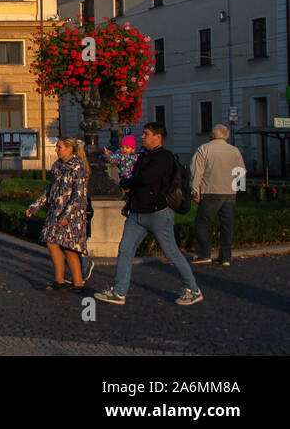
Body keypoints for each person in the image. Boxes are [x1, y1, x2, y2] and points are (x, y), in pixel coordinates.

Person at [94, 122, 203, 306]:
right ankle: (119, 291)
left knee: (171, 252)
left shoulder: (164, 157)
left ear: (157, 137)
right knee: (125, 250)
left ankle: (193, 289)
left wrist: (127, 184)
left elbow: (146, 179)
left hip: (158, 213)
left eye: (146, 134)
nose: (142, 137)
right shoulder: (144, 155)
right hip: (137, 213)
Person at [25, 137, 91, 291]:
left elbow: (79, 195)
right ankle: (60, 281)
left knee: (69, 247)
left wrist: (67, 216)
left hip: (71, 213)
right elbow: (50, 189)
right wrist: (36, 206)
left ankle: (78, 283)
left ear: (69, 149)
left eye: (59, 147)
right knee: (52, 242)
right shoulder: (58, 166)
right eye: (57, 147)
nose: (56, 150)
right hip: (55, 210)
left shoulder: (78, 168)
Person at [190, 125, 246, 266]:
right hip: (229, 193)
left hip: (211, 192)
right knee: (227, 225)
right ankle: (225, 257)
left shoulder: (204, 149)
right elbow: (241, 171)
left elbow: (197, 172)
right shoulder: (234, 150)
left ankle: (204, 254)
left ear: (212, 135)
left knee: (201, 223)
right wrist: (237, 189)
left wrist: (194, 191)